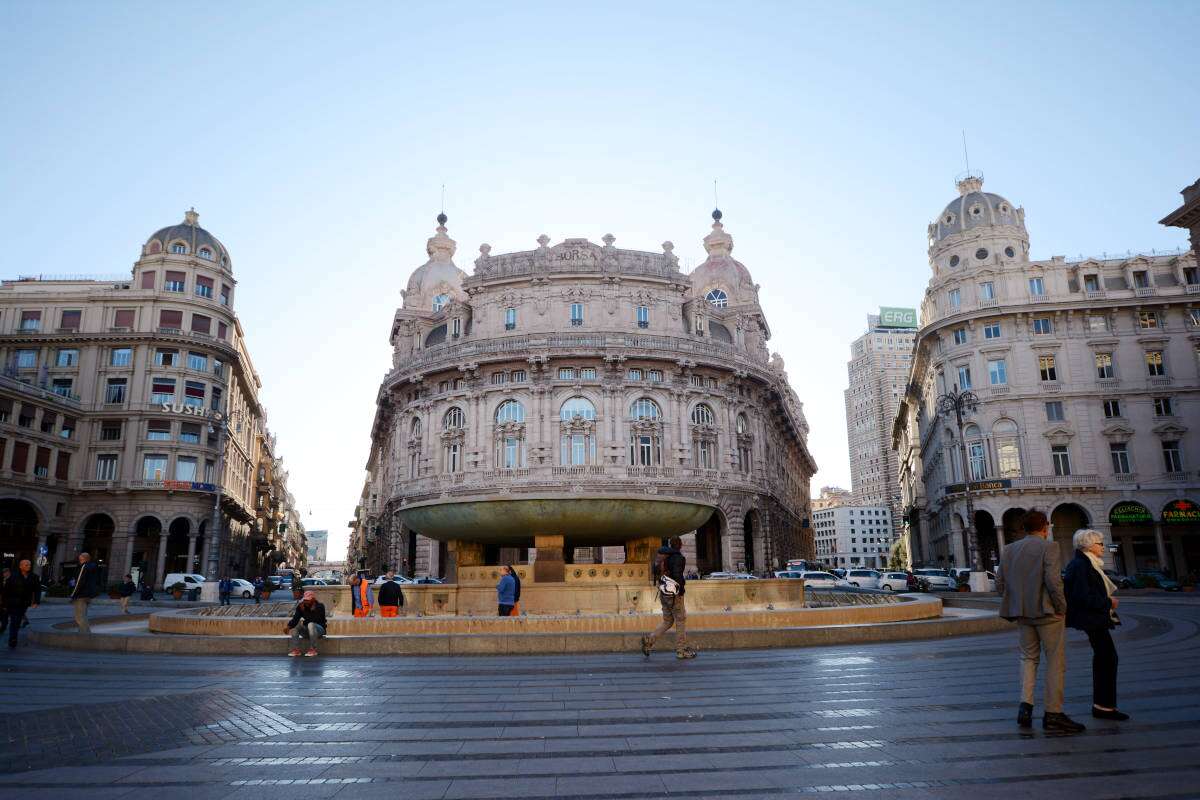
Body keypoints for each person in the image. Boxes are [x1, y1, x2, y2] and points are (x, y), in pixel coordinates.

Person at [997, 510, 1084, 733]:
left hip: (1023, 615)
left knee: (1027, 658)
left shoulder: (1009, 550)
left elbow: (1000, 584)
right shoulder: (1049, 547)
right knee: (1055, 661)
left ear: (1024, 528)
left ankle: (1025, 708)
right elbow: (1054, 582)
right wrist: (1063, 608)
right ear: (1045, 527)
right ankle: (1053, 713)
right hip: (1048, 614)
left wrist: (1017, 601)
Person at [1064, 528, 1128, 721]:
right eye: (1100, 544)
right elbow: (1081, 596)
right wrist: (1109, 602)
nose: (1103, 547)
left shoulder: (1085, 563)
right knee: (1107, 659)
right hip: (1092, 619)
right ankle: (1103, 707)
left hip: (1094, 619)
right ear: (1089, 546)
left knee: (1106, 658)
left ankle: (1103, 705)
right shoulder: (1081, 565)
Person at [642, 536, 696, 659]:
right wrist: (681, 591)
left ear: (671, 545)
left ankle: (649, 640)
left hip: (663, 592)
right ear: (680, 545)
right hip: (674, 595)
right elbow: (678, 577)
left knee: (668, 621)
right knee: (680, 620)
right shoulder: (678, 558)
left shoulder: (664, 556)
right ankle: (681, 650)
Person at [4, 559, 41, 649]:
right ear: (20, 566)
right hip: (13, 602)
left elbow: (37, 590)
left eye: (29, 565)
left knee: (18, 619)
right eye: (26, 565)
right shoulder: (13, 576)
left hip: (24, 603)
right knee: (14, 620)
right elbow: (6, 591)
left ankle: (14, 634)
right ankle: (13, 639)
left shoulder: (34, 577)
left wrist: (36, 602)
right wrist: (4, 604)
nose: (28, 566)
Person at [284, 590, 327, 657]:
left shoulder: (320, 606)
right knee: (296, 626)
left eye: (308, 600)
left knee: (311, 624)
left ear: (313, 599)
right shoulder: (301, 606)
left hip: (319, 630)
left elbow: (315, 620)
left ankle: (313, 649)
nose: (306, 602)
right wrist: (288, 627)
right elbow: (295, 618)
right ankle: (296, 650)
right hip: (308, 630)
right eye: (305, 600)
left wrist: (309, 611)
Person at [70, 552, 101, 634]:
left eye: (80, 559)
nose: (79, 560)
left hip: (81, 594)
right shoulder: (93, 567)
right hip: (88, 595)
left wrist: (73, 594)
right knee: (83, 615)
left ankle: (86, 634)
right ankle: (82, 632)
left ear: (83, 559)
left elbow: (79, 582)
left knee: (79, 616)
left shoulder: (84, 567)